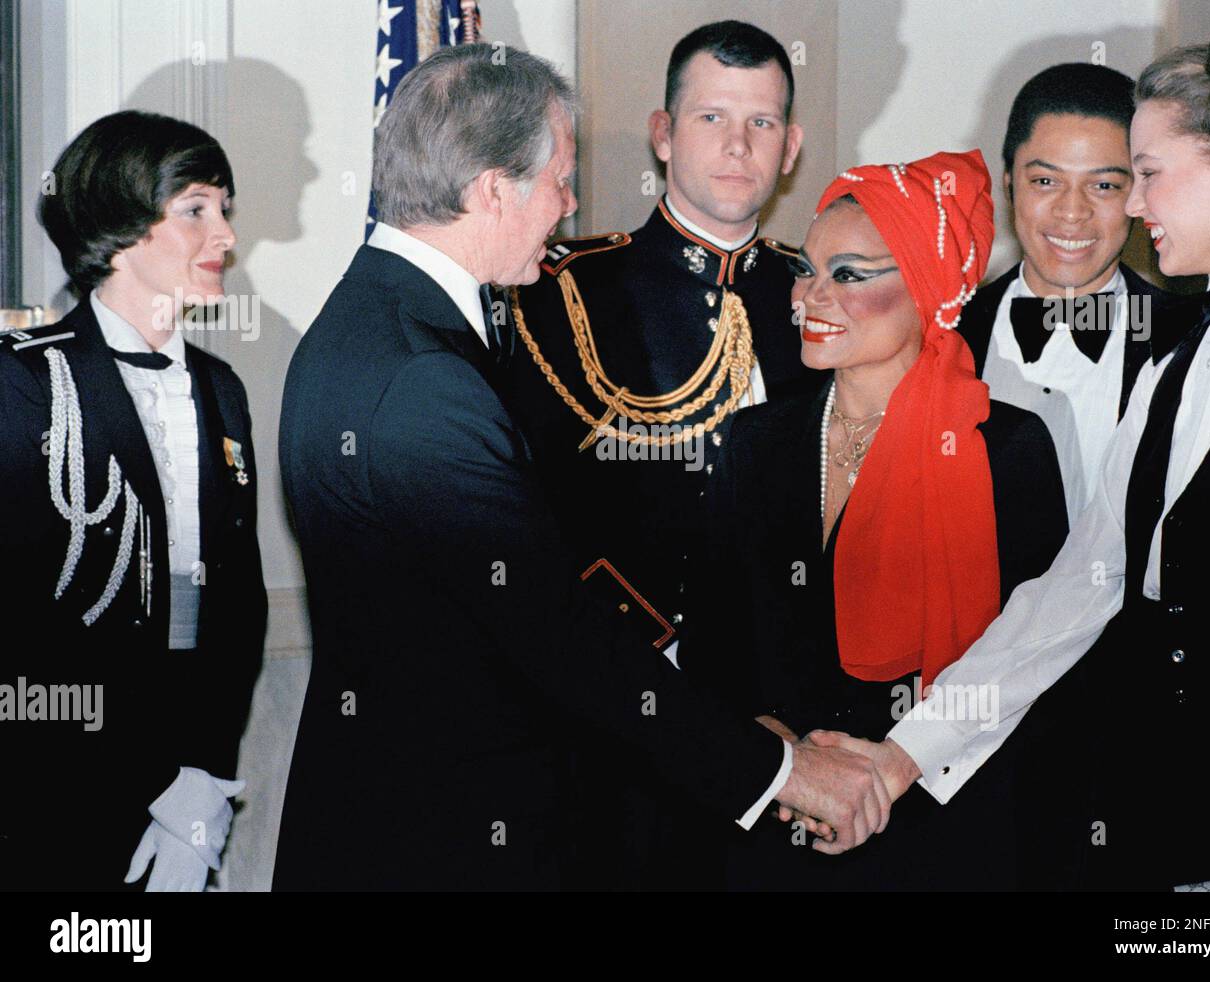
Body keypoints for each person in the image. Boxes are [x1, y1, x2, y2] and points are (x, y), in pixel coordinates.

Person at [273, 43, 889, 892]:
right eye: (560, 181)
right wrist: (780, 773)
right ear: (493, 188)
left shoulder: (367, 325)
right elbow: (555, 632)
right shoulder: (424, 378)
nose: (568, 206)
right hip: (444, 833)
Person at [833, 35, 1210, 891]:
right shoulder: (1184, 364)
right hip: (1137, 830)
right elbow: (1083, 583)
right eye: (1048, 179)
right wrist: (902, 756)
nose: (1114, 207)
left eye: (1138, 175)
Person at [682, 151, 1068, 889]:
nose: (808, 296)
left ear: (924, 287)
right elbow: (711, 645)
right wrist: (779, 754)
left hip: (939, 839)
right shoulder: (757, 440)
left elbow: (1031, 672)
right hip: (777, 824)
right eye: (806, 268)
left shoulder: (1006, 449)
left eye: (850, 274)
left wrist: (886, 777)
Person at [505, 20, 819, 888]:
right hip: (626, 705)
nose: (737, 144)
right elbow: (534, 512)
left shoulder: (819, 291)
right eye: (712, 117)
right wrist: (665, 664)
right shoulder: (562, 289)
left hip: (797, 717)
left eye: (761, 123)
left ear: (790, 147)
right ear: (663, 132)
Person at [0, 111, 267, 891]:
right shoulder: (25, 381)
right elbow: (24, 626)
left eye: (226, 208)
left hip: (193, 784)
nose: (224, 235)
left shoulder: (221, 390)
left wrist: (206, 788)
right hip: (58, 784)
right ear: (119, 228)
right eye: (195, 210)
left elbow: (237, 612)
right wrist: (162, 783)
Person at [958, 63, 1196, 524]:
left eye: (1104, 185)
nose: (1072, 212)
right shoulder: (943, 333)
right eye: (1046, 181)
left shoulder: (1190, 339)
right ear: (1008, 183)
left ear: (1139, 194)